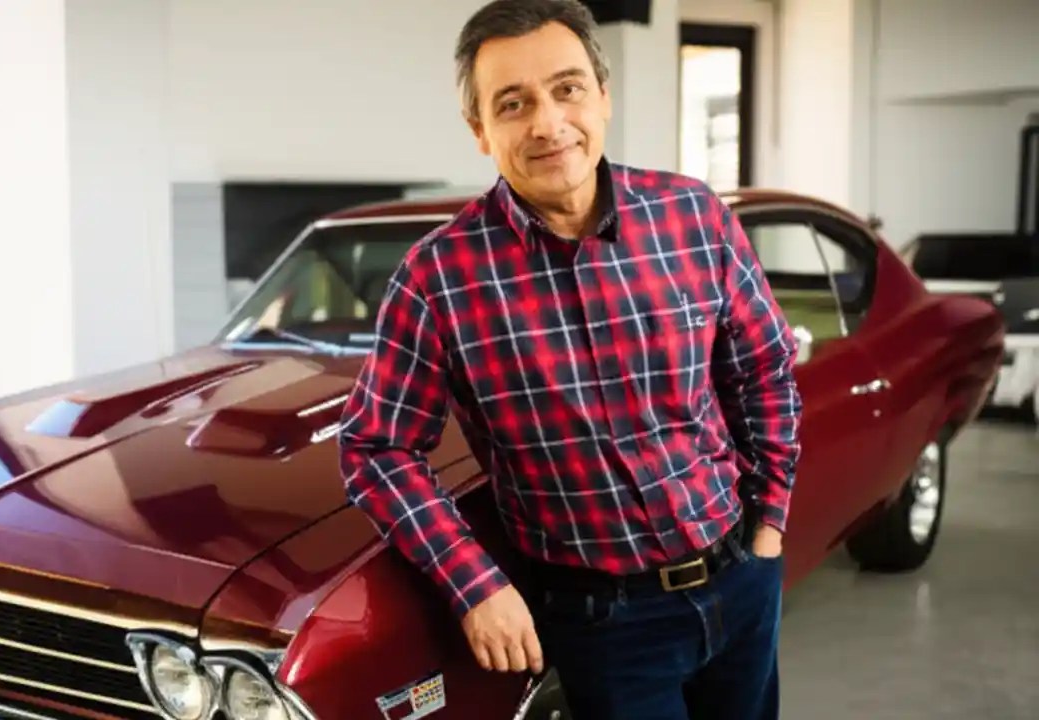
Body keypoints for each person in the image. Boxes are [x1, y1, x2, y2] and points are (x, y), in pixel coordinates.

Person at [337, 0, 803, 718]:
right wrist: (476, 584)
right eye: (513, 103)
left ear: (604, 97)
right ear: (480, 131)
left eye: (567, 88)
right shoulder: (438, 278)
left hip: (739, 576)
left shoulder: (693, 216)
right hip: (603, 623)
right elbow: (377, 446)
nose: (548, 123)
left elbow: (763, 369)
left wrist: (768, 525)